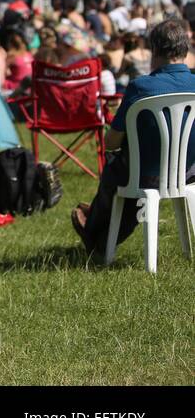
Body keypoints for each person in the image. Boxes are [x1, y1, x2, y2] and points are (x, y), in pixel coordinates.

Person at [72, 17, 195, 254]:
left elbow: (111, 142)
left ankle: (96, 233)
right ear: (185, 49)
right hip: (189, 174)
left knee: (118, 170)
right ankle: (98, 232)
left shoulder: (141, 88)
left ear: (154, 49)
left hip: (145, 176)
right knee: (127, 170)